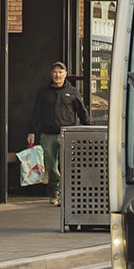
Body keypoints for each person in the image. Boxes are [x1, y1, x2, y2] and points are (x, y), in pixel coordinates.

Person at [27, 59, 86, 192]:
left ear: (65, 74)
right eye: (54, 72)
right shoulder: (44, 92)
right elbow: (36, 112)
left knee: (68, 165)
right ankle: (55, 191)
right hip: (48, 134)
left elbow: (82, 111)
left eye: (60, 72)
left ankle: (65, 193)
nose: (57, 75)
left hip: (67, 133)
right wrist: (31, 131)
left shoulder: (73, 92)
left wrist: (87, 129)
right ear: (50, 74)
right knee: (51, 166)